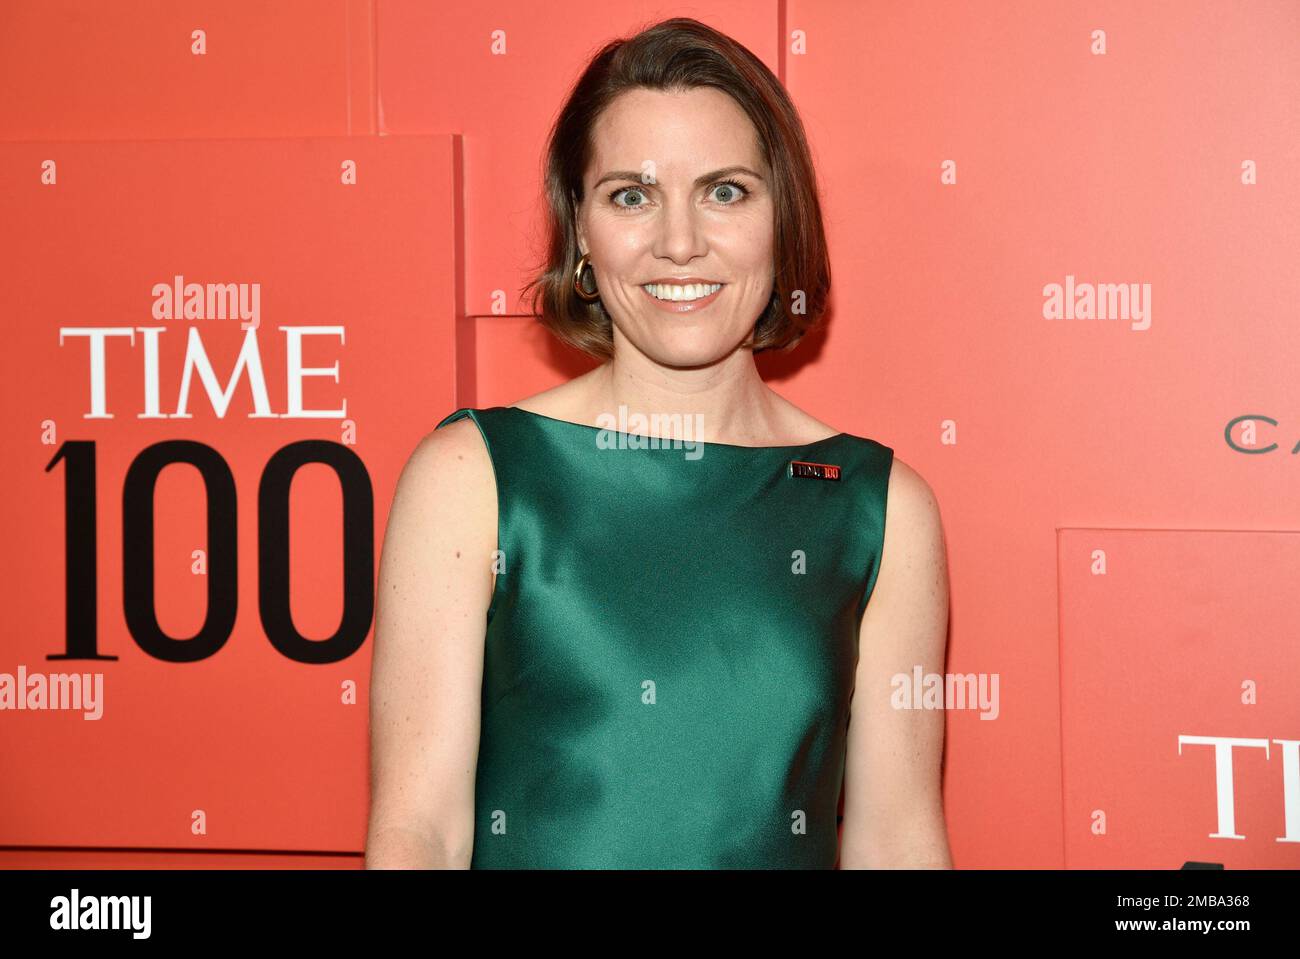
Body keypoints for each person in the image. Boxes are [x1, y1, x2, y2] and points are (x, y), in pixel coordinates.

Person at [365, 17, 951, 869]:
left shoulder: (879, 507)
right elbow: (419, 833)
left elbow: (898, 842)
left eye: (725, 190)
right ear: (582, 233)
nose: (679, 243)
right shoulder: (473, 477)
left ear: (782, 220)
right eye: (632, 196)